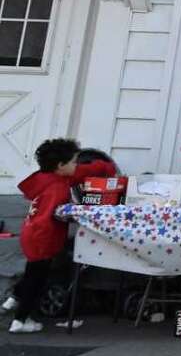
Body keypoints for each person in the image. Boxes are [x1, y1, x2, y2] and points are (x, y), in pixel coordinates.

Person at [7, 138, 116, 333]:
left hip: (31, 234)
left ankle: (14, 298)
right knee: (37, 280)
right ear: (61, 165)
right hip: (43, 238)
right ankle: (21, 320)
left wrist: (103, 166)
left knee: (33, 273)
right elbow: (54, 211)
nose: (77, 165)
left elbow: (80, 172)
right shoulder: (57, 188)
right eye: (74, 161)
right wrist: (72, 212)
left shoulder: (48, 178)